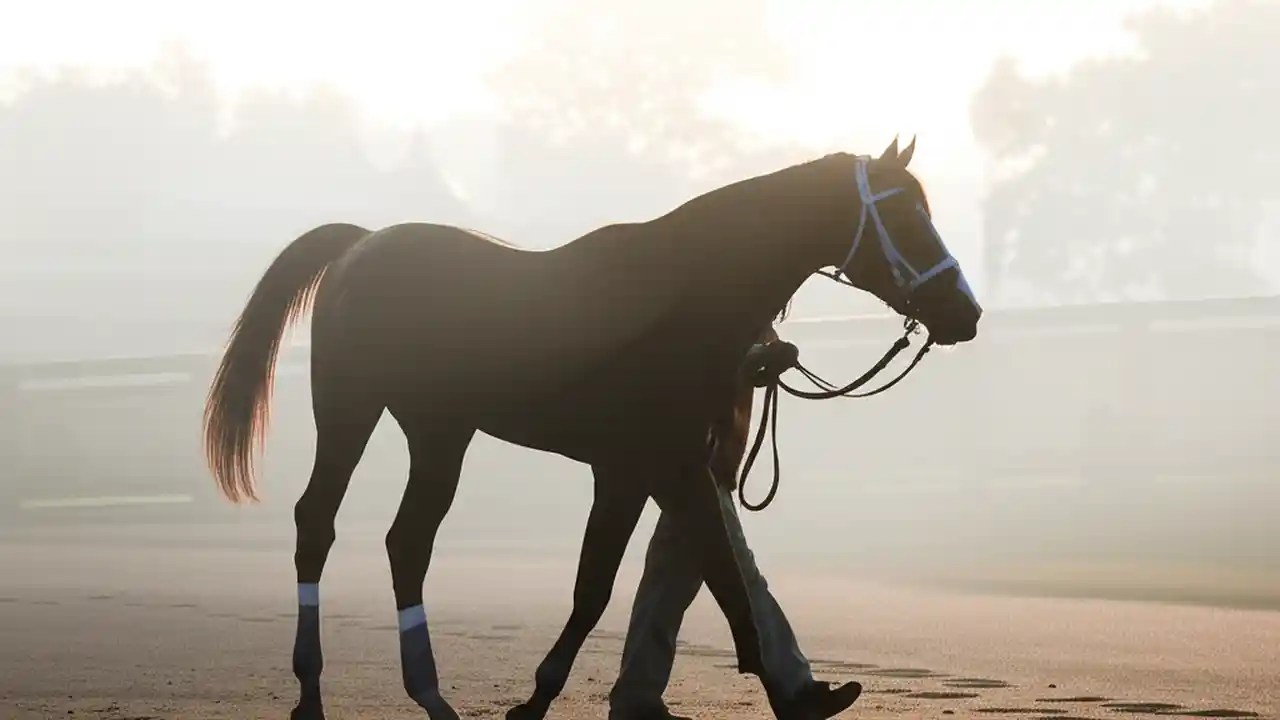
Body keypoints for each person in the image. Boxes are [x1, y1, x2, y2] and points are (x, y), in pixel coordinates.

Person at [607, 327, 863, 720]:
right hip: (697, 466)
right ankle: (794, 691)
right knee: (741, 578)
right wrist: (756, 355)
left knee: (667, 582)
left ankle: (635, 699)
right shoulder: (727, 299)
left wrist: (759, 354)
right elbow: (707, 348)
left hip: (709, 464)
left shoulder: (752, 309)